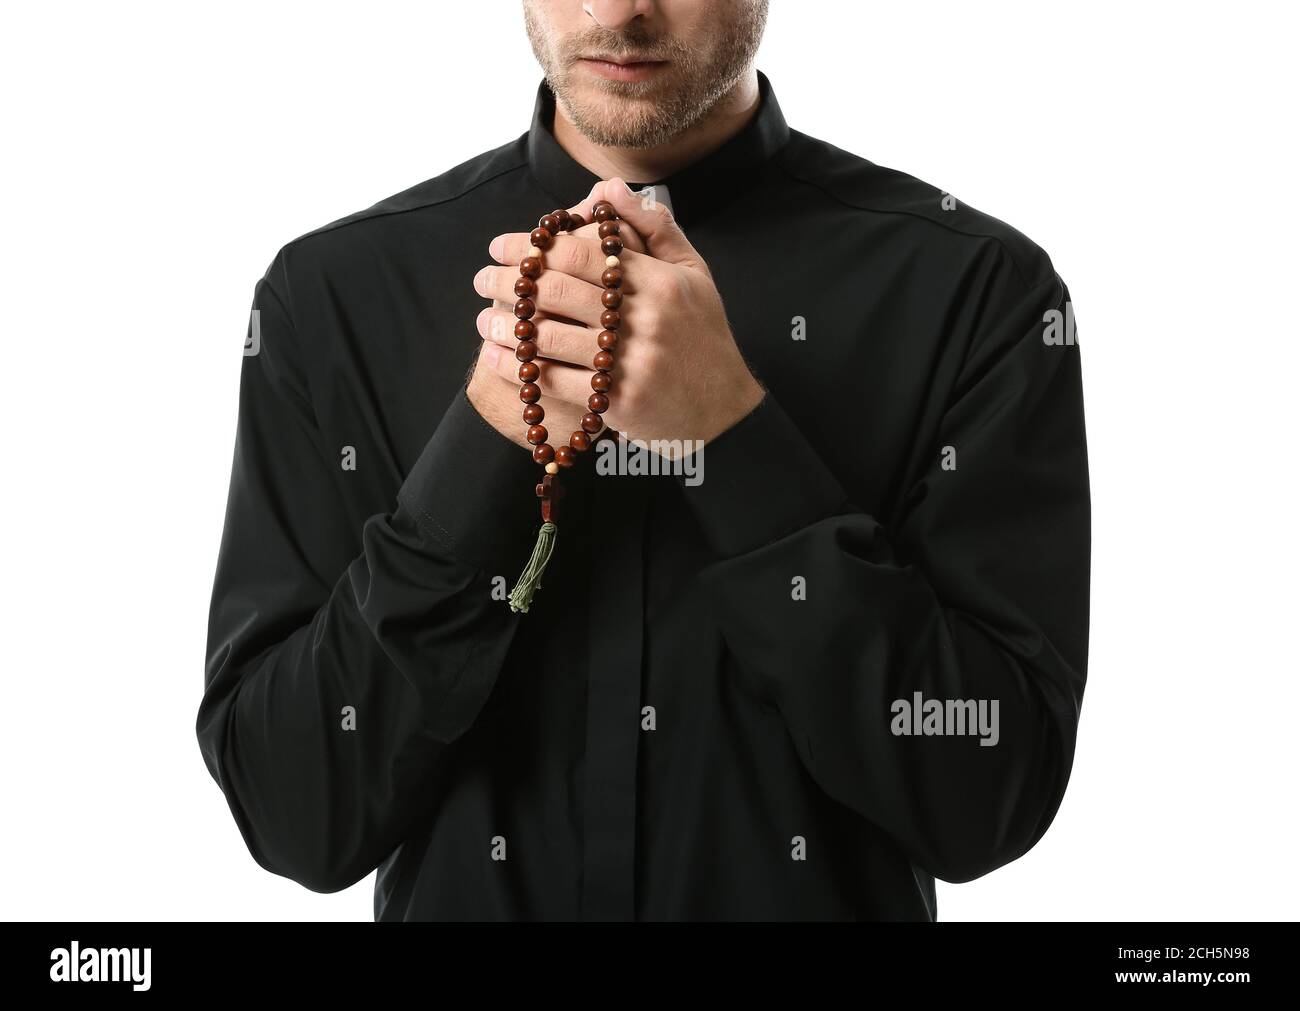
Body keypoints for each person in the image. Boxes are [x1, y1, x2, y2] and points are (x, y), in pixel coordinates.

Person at [197, 0, 1090, 921]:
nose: (619, 10)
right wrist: (482, 442)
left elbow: (988, 797)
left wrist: (731, 437)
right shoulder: (328, 299)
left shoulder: (976, 292)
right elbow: (293, 813)